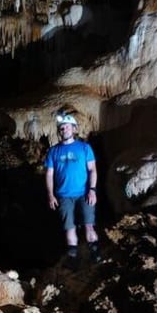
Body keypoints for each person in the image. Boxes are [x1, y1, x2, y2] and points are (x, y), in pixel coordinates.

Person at [44, 112, 100, 262]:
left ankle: (96, 256)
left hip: (84, 193)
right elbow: (49, 174)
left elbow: (92, 169)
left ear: (74, 129)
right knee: (70, 227)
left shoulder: (84, 148)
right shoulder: (53, 151)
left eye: (67, 127)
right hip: (63, 195)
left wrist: (92, 190)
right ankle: (73, 259)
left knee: (89, 225)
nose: (64, 130)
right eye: (62, 128)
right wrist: (50, 195)